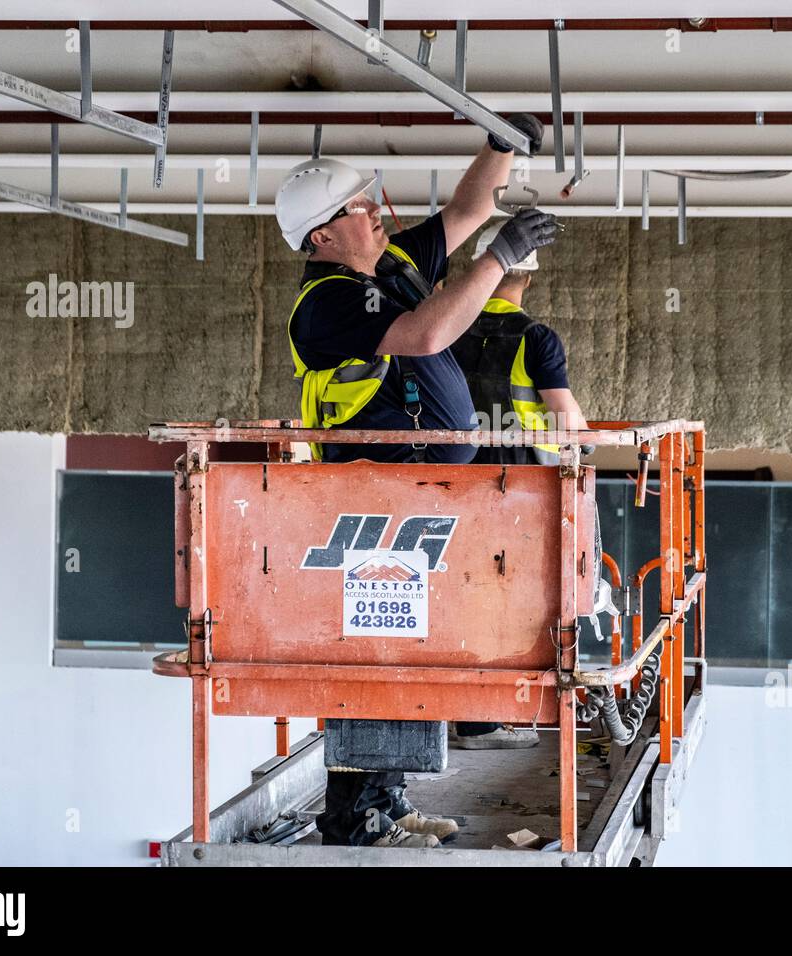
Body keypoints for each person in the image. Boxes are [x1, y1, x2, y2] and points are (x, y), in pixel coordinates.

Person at [274, 114, 558, 849]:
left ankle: (386, 804)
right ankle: (357, 821)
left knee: (405, 647)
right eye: (356, 207)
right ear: (323, 238)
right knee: (375, 652)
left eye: (370, 198)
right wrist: (499, 261)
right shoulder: (328, 304)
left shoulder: (392, 268)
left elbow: (466, 212)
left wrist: (501, 148)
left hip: (413, 492)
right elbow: (429, 336)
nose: (374, 210)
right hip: (373, 494)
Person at [447, 224, 590, 750]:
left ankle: (455, 712)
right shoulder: (536, 338)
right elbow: (564, 415)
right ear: (528, 279)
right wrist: (580, 441)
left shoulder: (446, 328)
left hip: (452, 478)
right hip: (516, 484)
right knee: (505, 597)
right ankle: (482, 722)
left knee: (457, 592)